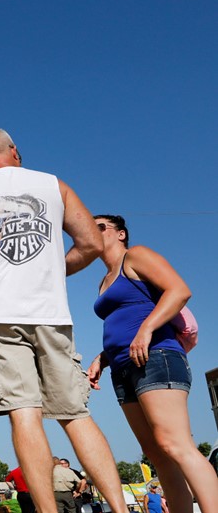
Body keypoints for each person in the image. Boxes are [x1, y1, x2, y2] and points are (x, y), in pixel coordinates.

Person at [0, 128, 127, 513]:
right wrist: (54, 271)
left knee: (24, 415)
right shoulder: (53, 185)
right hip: (51, 314)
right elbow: (91, 242)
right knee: (75, 414)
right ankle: (121, 509)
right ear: (15, 153)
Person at [88, 214, 218, 513]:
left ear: (121, 234)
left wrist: (146, 330)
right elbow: (123, 323)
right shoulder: (103, 280)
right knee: (157, 455)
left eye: (100, 227)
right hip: (123, 367)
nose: (92, 233)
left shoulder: (136, 256)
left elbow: (179, 290)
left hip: (158, 354)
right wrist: (102, 358)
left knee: (175, 444)